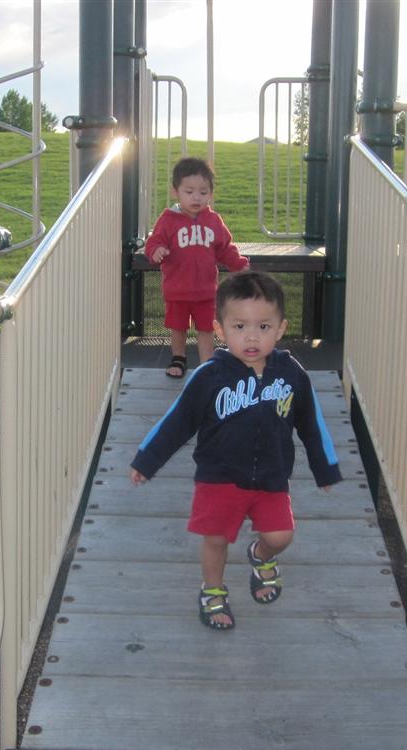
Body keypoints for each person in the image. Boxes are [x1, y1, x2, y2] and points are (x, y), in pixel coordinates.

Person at [129, 271, 342, 630]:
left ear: (280, 329)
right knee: (215, 540)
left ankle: (261, 554)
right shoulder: (210, 376)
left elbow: (311, 422)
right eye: (240, 326)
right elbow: (177, 422)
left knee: (280, 536)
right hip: (219, 477)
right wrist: (147, 460)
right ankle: (213, 590)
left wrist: (325, 467)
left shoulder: (291, 374)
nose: (252, 337)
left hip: (271, 476)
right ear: (220, 329)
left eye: (264, 326)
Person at [145, 157, 249, 379]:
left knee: (206, 328)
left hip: (205, 291)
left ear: (210, 194)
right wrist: (157, 251)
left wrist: (238, 264)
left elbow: (225, 248)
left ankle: (206, 364)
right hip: (177, 290)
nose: (196, 197)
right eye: (189, 191)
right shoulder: (168, 220)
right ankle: (178, 358)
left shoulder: (213, 221)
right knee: (178, 327)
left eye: (203, 192)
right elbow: (154, 242)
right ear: (175, 192)